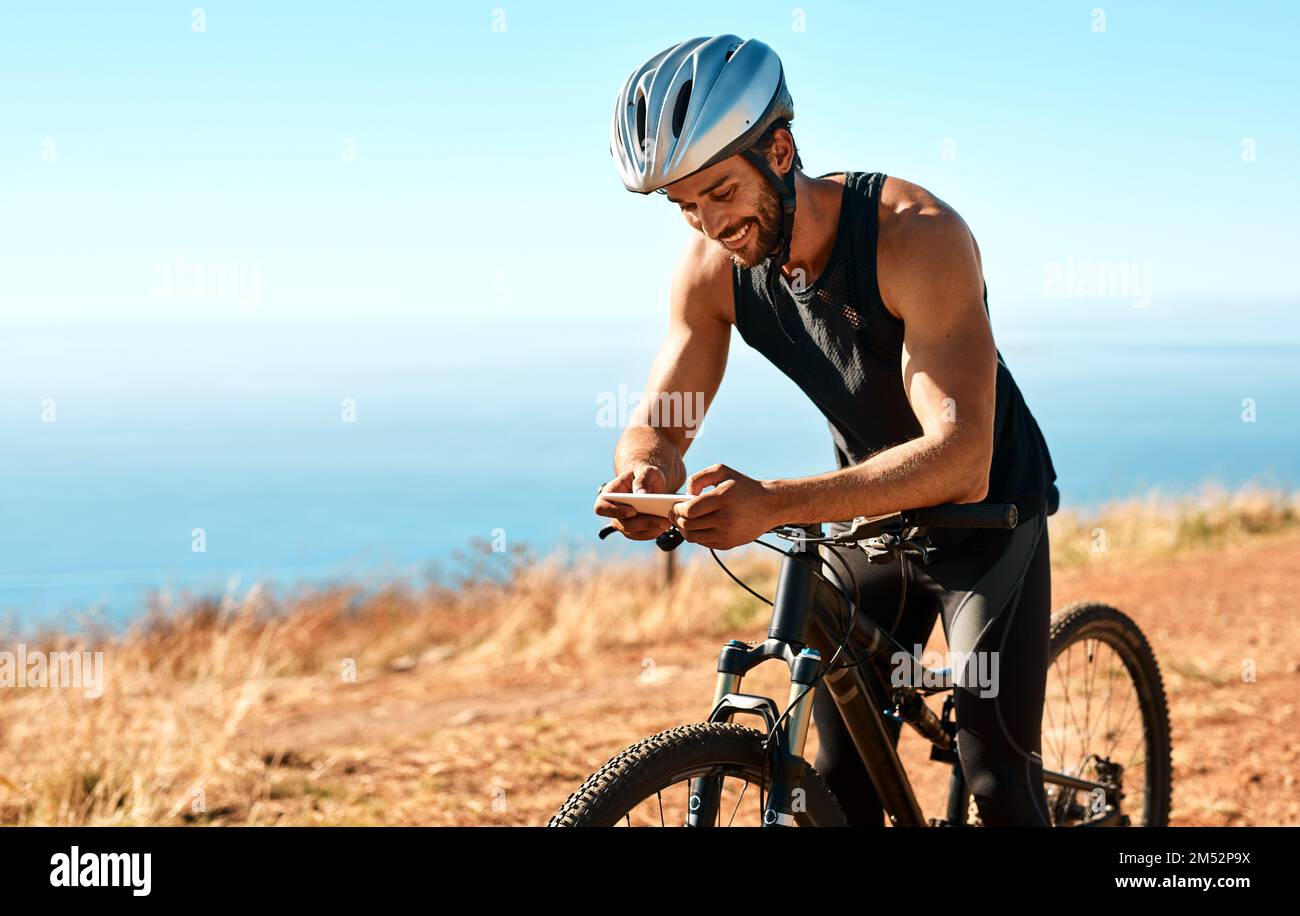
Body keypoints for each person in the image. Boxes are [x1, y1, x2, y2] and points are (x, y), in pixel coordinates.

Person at [594, 34, 1059, 826]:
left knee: (994, 776)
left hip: (987, 518)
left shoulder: (916, 236)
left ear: (779, 149)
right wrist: (646, 468)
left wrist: (772, 501)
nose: (710, 224)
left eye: (719, 191)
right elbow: (665, 418)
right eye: (685, 205)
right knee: (842, 785)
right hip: (869, 522)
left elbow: (961, 458)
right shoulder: (712, 268)